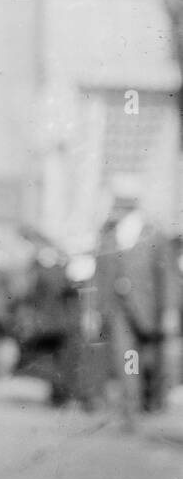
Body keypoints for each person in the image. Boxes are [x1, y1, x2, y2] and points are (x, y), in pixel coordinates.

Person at [95, 178, 180, 421]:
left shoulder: (154, 235)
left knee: (152, 359)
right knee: (127, 356)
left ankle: (152, 399)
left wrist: (169, 311)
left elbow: (167, 277)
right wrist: (97, 309)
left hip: (150, 311)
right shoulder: (110, 235)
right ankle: (131, 403)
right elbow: (99, 274)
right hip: (120, 309)